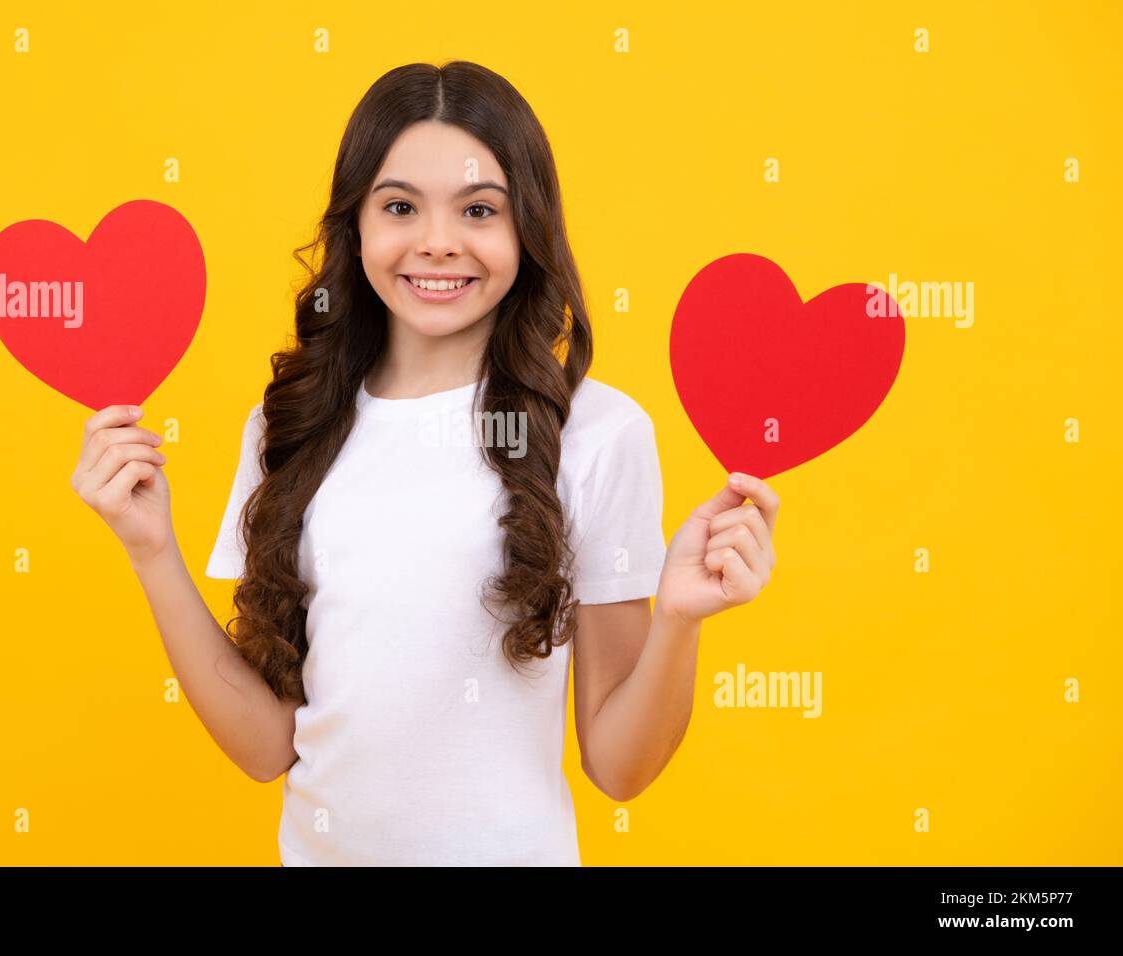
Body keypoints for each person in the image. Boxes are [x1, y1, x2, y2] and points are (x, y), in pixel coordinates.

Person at [70, 60, 779, 867]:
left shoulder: (598, 432)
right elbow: (267, 747)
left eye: (479, 210)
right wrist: (151, 549)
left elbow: (620, 768)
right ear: (357, 227)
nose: (437, 242)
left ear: (528, 231)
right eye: (400, 206)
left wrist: (680, 623)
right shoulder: (290, 425)